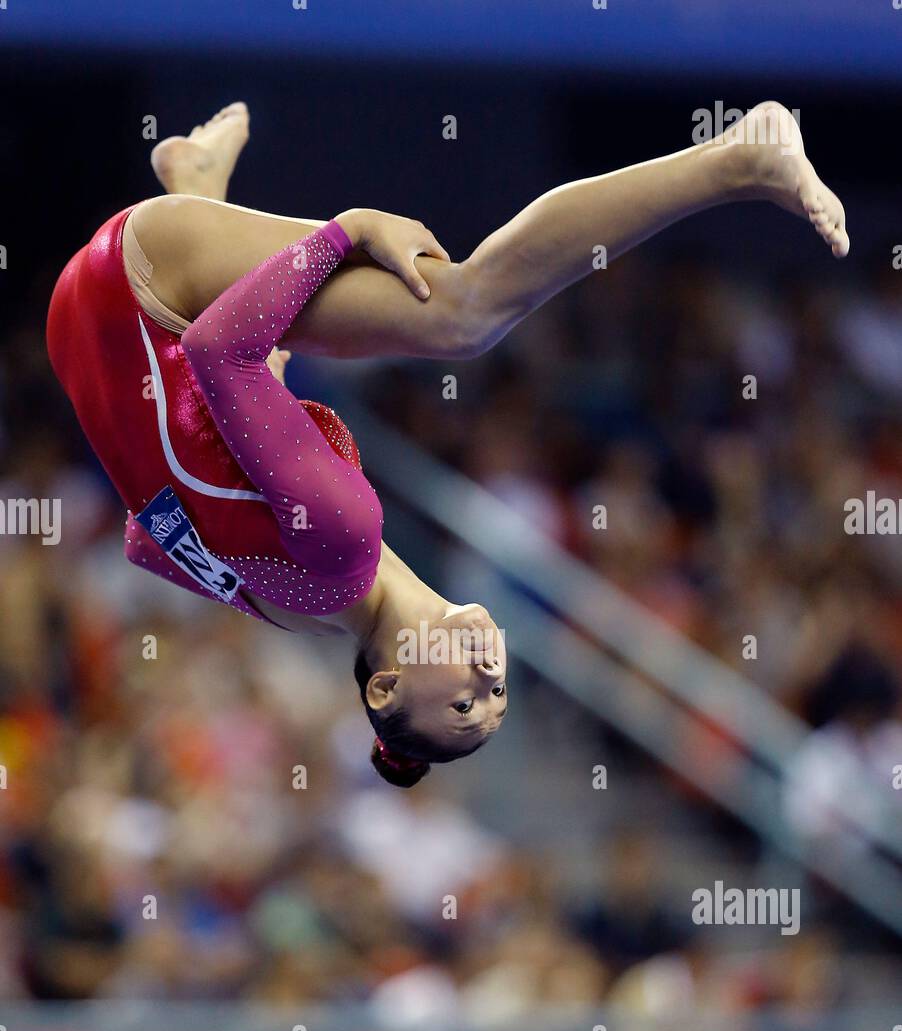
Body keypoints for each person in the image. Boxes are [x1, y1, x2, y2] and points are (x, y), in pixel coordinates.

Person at [46, 101, 848, 786]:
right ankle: (197, 180)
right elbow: (146, 536)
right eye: (497, 702)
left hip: (141, 282)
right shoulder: (303, 610)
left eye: (465, 704)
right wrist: (234, 407)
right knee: (284, 357)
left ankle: (738, 157)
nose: (493, 680)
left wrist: (347, 232)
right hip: (85, 332)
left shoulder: (343, 542)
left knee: (463, 315)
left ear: (386, 688)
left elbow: (221, 353)